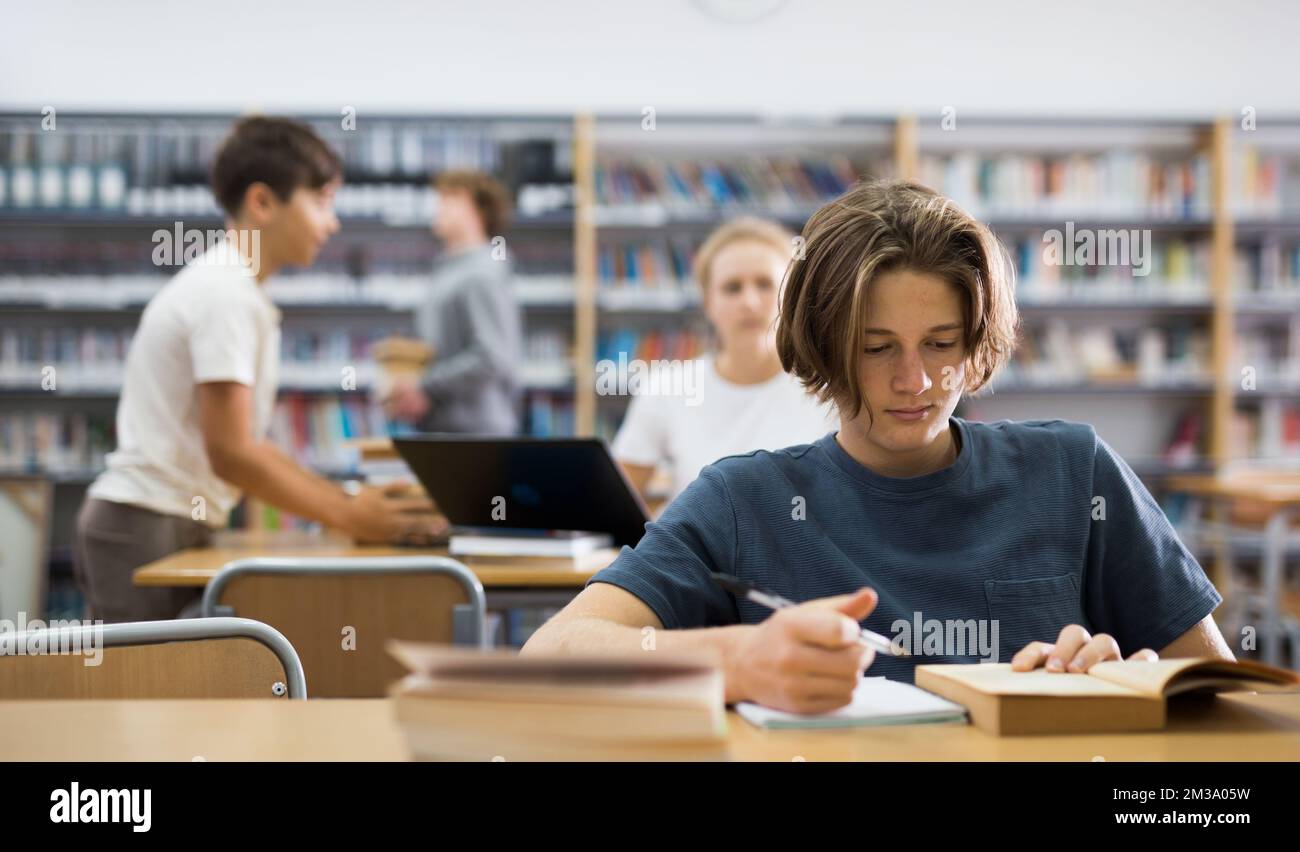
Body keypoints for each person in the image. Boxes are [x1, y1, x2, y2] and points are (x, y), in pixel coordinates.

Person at [521, 179, 1234, 714]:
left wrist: (1132, 684)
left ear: (978, 343)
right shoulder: (744, 500)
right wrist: (734, 659)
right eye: (876, 348)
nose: (915, 380)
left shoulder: (1074, 473)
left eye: (942, 345)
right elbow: (551, 656)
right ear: (825, 347)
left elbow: (1226, 696)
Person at [75, 116, 438, 623]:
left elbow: (242, 447)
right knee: (142, 694)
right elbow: (233, 454)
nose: (331, 224)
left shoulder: (237, 288)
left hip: (161, 517)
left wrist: (344, 506)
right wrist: (349, 512)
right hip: (144, 521)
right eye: (321, 201)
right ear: (263, 202)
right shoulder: (226, 293)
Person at [612, 217, 836, 504]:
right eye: (732, 288)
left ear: (791, 297)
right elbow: (613, 501)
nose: (750, 302)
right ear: (708, 303)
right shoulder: (668, 388)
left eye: (765, 284)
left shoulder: (831, 390)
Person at [383, 170, 523, 434]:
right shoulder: (447, 271)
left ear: (480, 211)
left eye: (452, 198)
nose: (439, 207)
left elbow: (492, 356)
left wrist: (424, 386)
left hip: (477, 434)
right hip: (447, 427)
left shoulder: (483, 273)